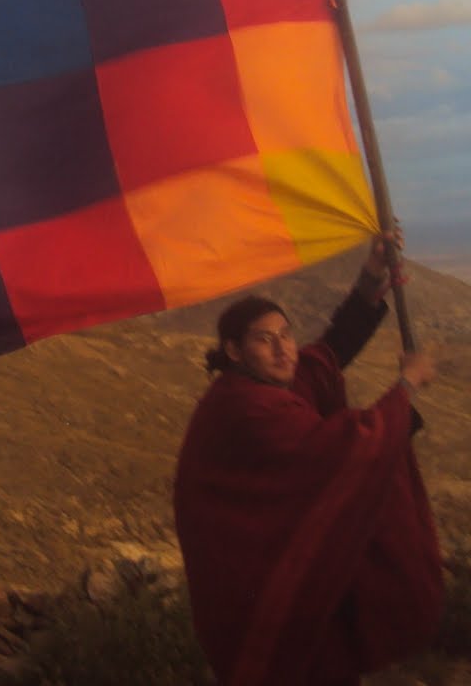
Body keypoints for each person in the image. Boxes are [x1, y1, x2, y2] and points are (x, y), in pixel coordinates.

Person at [173, 232, 442, 686]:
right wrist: (406, 388)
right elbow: (342, 450)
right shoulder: (245, 407)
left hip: (284, 589)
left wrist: (372, 273)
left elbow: (329, 352)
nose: (283, 350)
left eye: (285, 335)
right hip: (259, 593)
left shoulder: (264, 385)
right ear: (235, 351)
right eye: (264, 340)